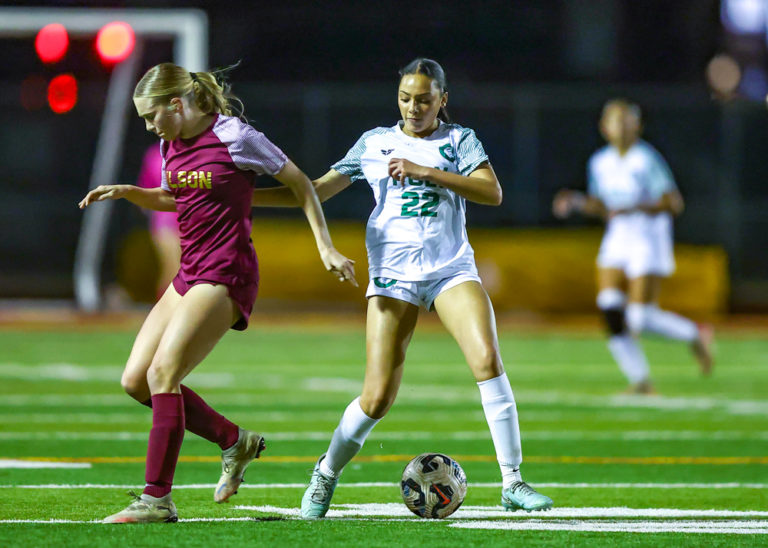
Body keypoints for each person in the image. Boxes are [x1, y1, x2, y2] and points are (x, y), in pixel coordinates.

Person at [252, 58, 553, 518]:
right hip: (393, 276)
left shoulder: (459, 141)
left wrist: (426, 172)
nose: (414, 107)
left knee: (488, 361)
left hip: (451, 269)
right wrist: (243, 199)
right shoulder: (375, 143)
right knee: (376, 398)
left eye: (425, 100)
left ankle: (512, 481)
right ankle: (326, 473)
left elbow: (491, 192)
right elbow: (315, 189)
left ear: (442, 101)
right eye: (406, 98)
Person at [78, 62, 357, 523]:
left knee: (163, 373)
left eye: (152, 116)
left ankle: (156, 499)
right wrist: (131, 192)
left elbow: (301, 183)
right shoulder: (170, 144)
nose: (149, 126)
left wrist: (324, 245)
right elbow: (176, 197)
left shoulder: (236, 137)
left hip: (227, 273)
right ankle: (234, 440)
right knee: (135, 380)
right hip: (190, 273)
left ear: (177, 103)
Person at [552, 98, 713, 394]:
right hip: (619, 235)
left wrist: (634, 207)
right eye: (615, 120)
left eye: (628, 121)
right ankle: (641, 381)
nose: (622, 127)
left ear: (638, 126)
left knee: (640, 317)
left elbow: (673, 202)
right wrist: (575, 201)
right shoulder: (599, 162)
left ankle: (694, 334)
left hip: (648, 236)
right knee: (610, 307)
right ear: (604, 127)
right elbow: (603, 206)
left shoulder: (645, 159)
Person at [136, 144, 181, 298]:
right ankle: (164, 312)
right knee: (173, 268)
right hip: (165, 220)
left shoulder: (196, 151)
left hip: (192, 219)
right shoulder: (154, 153)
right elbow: (145, 187)